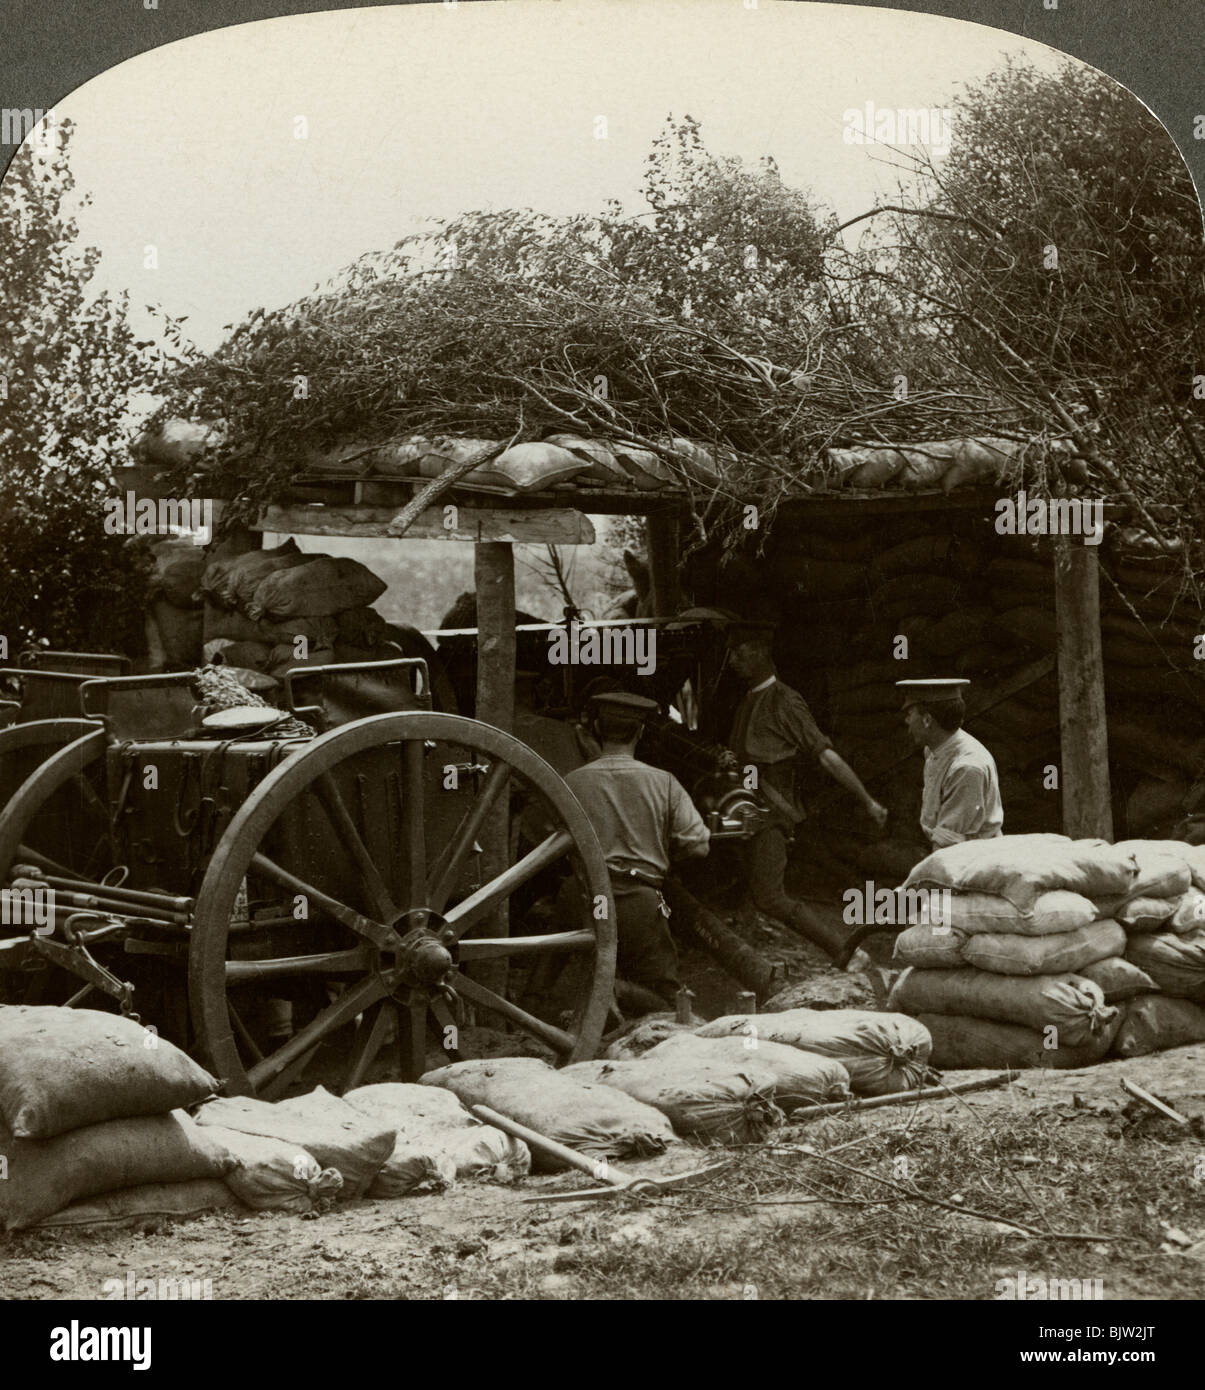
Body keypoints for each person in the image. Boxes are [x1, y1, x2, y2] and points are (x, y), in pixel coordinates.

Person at [721, 622, 888, 967]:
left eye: (740, 652)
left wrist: (867, 801)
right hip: (744, 809)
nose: (733, 660)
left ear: (761, 652)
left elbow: (825, 755)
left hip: (769, 811)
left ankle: (847, 951)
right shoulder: (747, 700)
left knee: (769, 897)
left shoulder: (785, 701)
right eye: (731, 653)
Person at [561, 691, 710, 1008]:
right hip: (638, 904)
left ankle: (557, 996)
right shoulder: (664, 782)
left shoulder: (571, 782)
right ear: (640, 732)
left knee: (563, 967)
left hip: (581, 899)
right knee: (669, 1000)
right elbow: (699, 847)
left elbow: (552, 842)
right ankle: (617, 992)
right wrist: (668, 855)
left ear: (598, 729)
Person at [896, 678, 1003, 847]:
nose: (907, 721)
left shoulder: (966, 768)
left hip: (971, 860)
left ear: (927, 720)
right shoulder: (934, 749)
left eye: (910, 714)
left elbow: (948, 844)